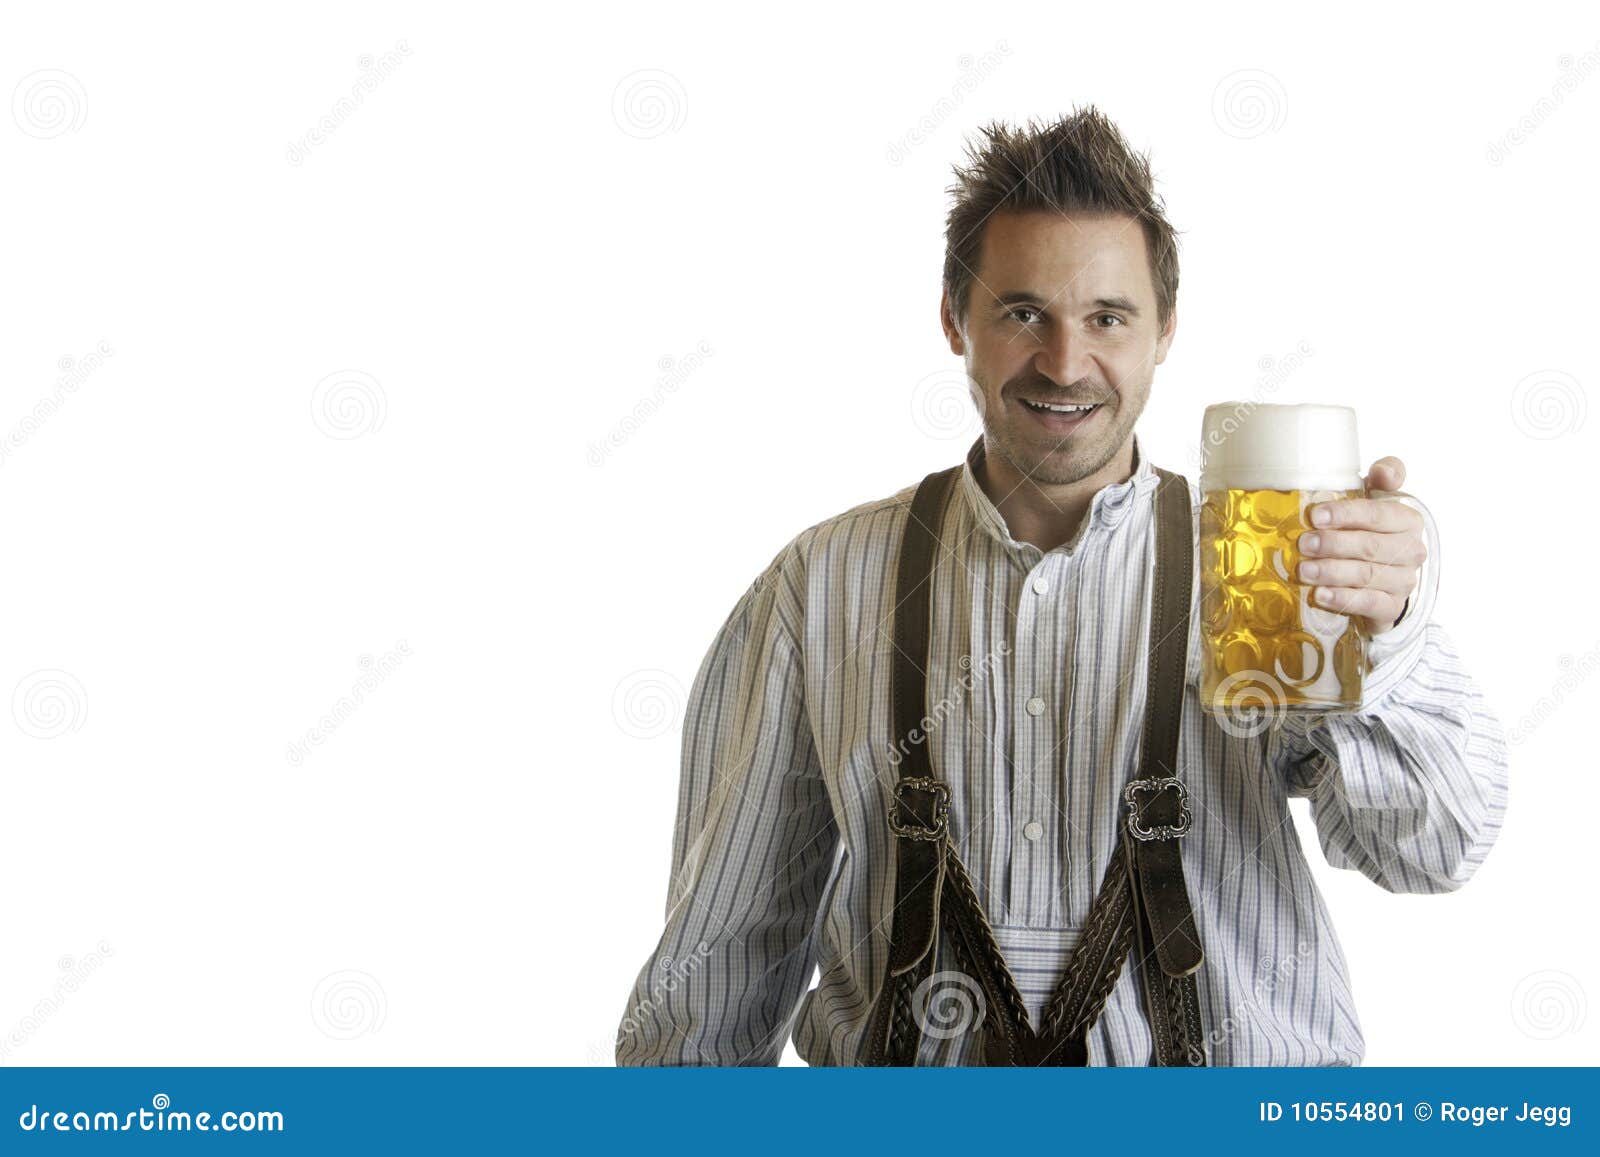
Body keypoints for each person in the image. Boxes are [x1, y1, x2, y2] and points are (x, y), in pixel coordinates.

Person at [613, 107, 1509, 1066]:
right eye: (1022, 312)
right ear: (955, 319)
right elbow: (720, 963)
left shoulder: (1267, 575)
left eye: (1108, 318)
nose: (1066, 363)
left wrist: (1386, 634)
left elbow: (1433, 850)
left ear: (1165, 331)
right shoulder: (820, 585)